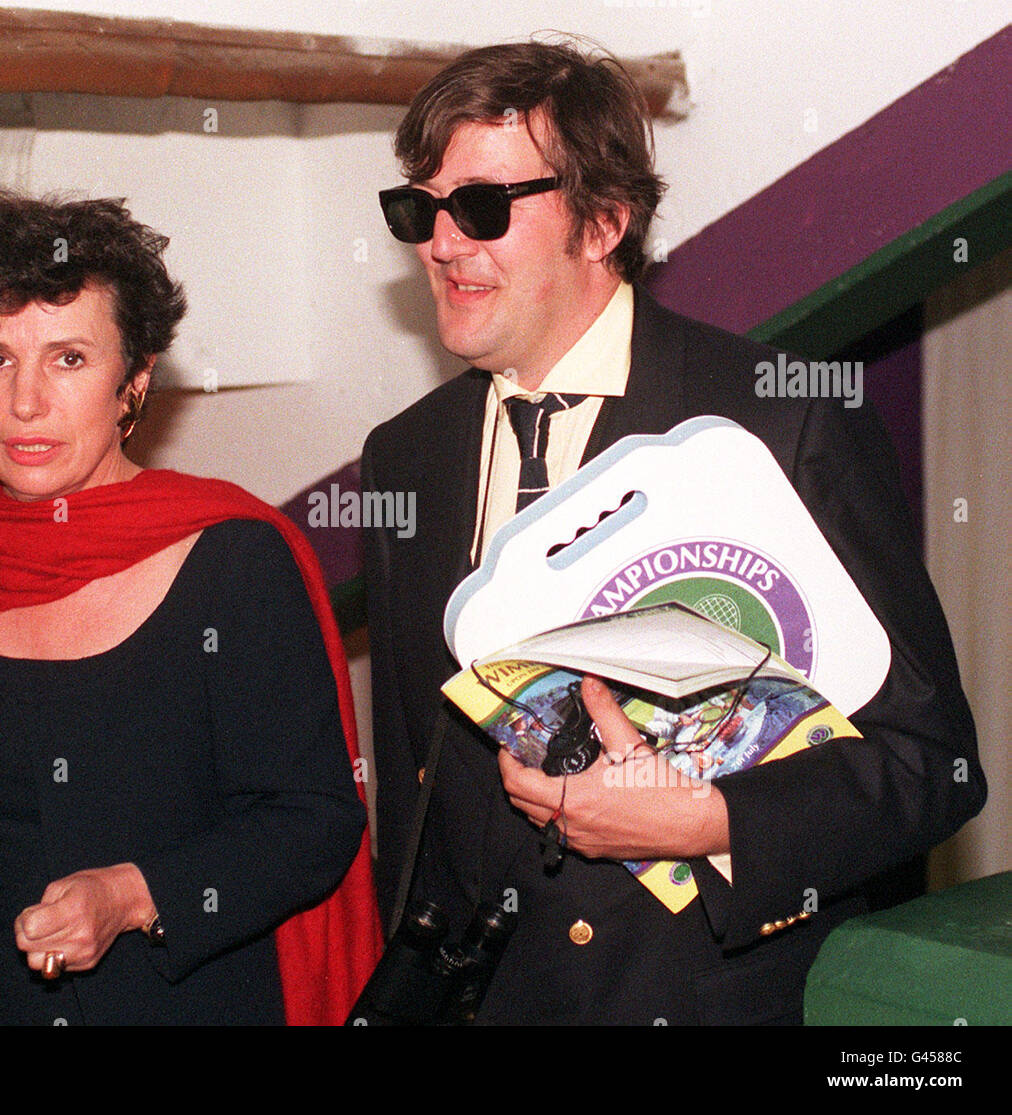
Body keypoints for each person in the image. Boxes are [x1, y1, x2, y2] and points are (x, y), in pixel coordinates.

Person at [361, 40, 984, 1024]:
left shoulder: (778, 421)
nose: (440, 243)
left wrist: (707, 820)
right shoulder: (406, 456)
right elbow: (418, 798)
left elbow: (928, 762)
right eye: (419, 210)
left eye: (480, 208)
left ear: (605, 220)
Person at [0, 186, 380, 1025]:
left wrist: (138, 894)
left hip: (190, 1000)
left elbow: (314, 822)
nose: (24, 401)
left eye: (68, 359)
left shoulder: (234, 553)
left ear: (133, 384)